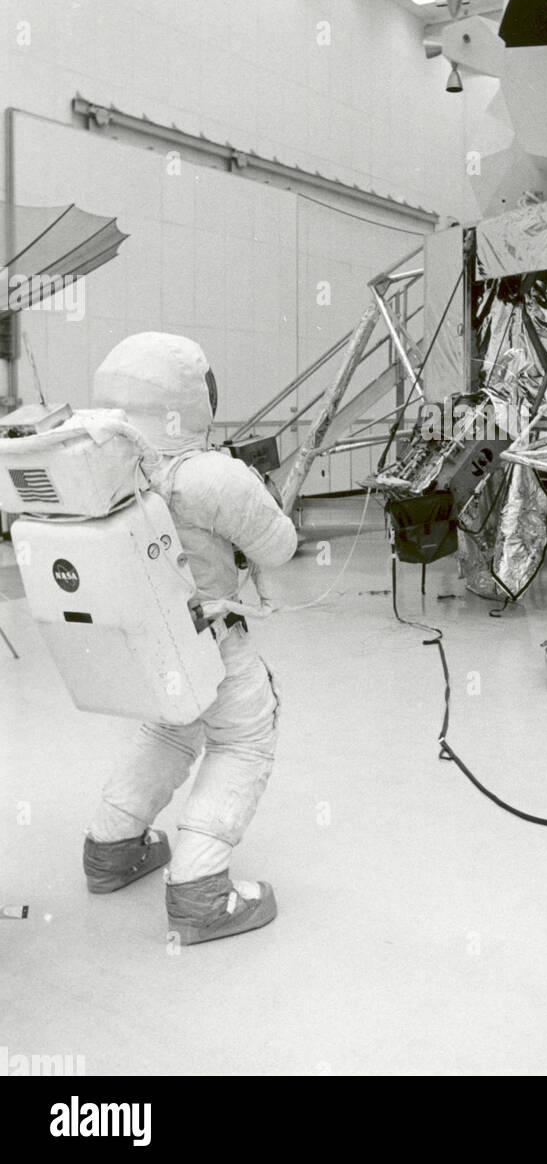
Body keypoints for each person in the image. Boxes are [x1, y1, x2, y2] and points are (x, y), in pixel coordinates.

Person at [81, 333, 298, 943]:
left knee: (168, 732)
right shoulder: (209, 476)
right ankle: (201, 892)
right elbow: (278, 548)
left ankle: (111, 849)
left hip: (141, 647)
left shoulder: (96, 465)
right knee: (244, 740)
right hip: (210, 642)